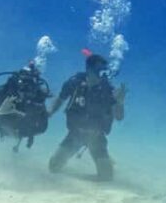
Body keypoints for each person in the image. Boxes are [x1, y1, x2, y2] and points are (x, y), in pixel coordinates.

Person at [47, 53, 126, 181]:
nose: (102, 74)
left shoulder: (108, 90)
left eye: (104, 71)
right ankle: (104, 160)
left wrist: (120, 103)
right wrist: (49, 112)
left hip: (97, 137)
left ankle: (105, 158)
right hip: (75, 135)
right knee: (53, 167)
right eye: (99, 70)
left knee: (106, 177)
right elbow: (60, 99)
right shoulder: (74, 83)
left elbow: (119, 117)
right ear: (89, 70)